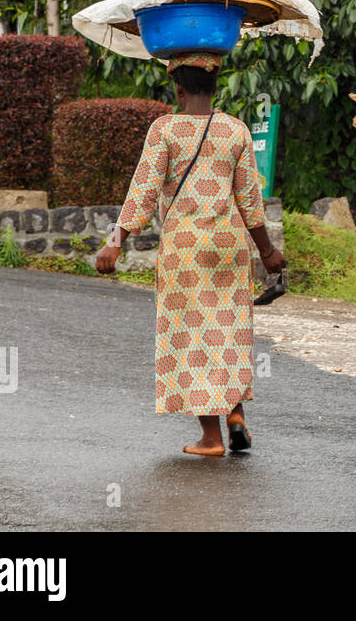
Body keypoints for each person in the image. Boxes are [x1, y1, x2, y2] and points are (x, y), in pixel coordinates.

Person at [96, 52, 286, 456]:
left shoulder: (164, 129)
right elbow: (250, 201)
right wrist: (267, 252)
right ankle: (235, 413)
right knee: (228, 329)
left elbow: (142, 193)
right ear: (216, 87)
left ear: (178, 89)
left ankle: (212, 438)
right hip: (228, 245)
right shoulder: (235, 131)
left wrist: (115, 242)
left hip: (185, 249)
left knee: (193, 335)